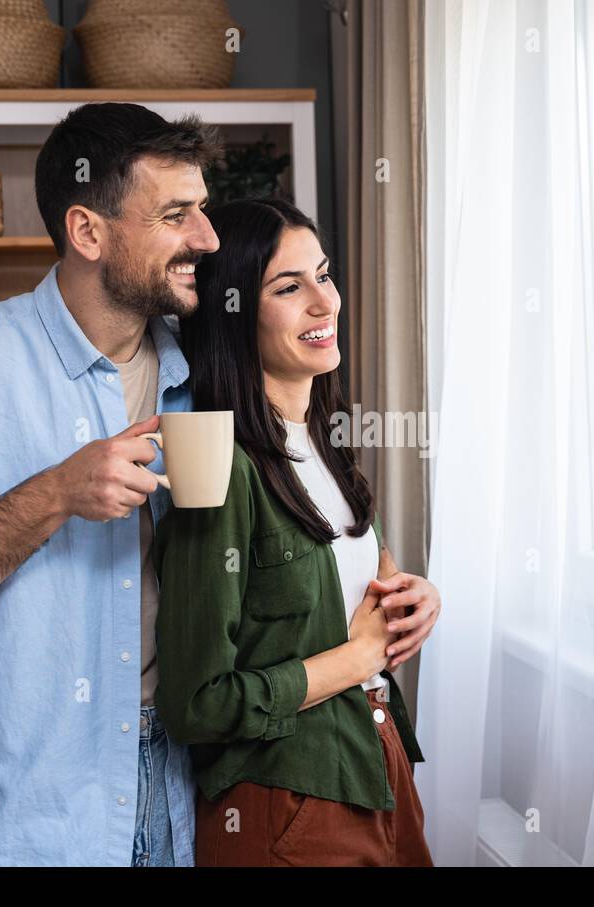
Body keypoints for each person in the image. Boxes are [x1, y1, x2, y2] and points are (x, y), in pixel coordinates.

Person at [0, 103, 223, 865]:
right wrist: (55, 493)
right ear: (89, 232)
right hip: (34, 803)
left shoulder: (204, 372)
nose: (206, 240)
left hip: (190, 780)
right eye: (177, 215)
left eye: (205, 212)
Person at [154, 198, 441, 866]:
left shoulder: (324, 441)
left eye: (324, 274)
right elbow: (197, 704)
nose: (324, 302)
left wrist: (415, 594)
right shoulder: (218, 465)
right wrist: (358, 659)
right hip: (286, 801)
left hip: (375, 763)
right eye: (288, 287)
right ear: (233, 314)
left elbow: (350, 575)